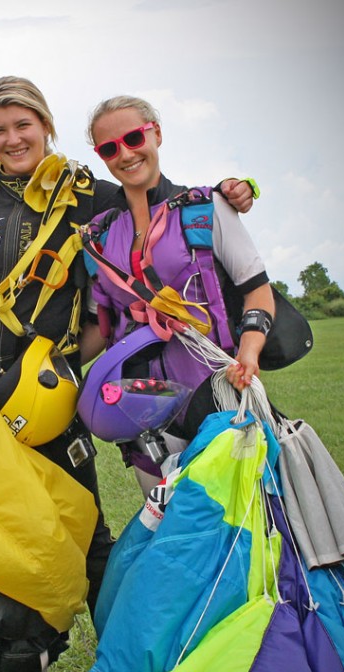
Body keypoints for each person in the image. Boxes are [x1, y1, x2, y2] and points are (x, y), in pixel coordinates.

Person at [0, 76, 255, 614]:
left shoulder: (89, 196)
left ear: (46, 126)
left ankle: (115, 647)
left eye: (23, 125)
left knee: (84, 527)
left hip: (51, 390)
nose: (12, 139)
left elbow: (160, 198)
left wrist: (232, 191)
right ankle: (20, 652)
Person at [84, 94, 274, 492]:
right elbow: (103, 329)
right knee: (165, 524)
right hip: (142, 413)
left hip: (220, 395)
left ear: (156, 134)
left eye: (134, 138)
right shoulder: (99, 236)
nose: (125, 154)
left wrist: (250, 351)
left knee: (241, 518)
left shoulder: (206, 209)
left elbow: (257, 290)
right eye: (109, 148)